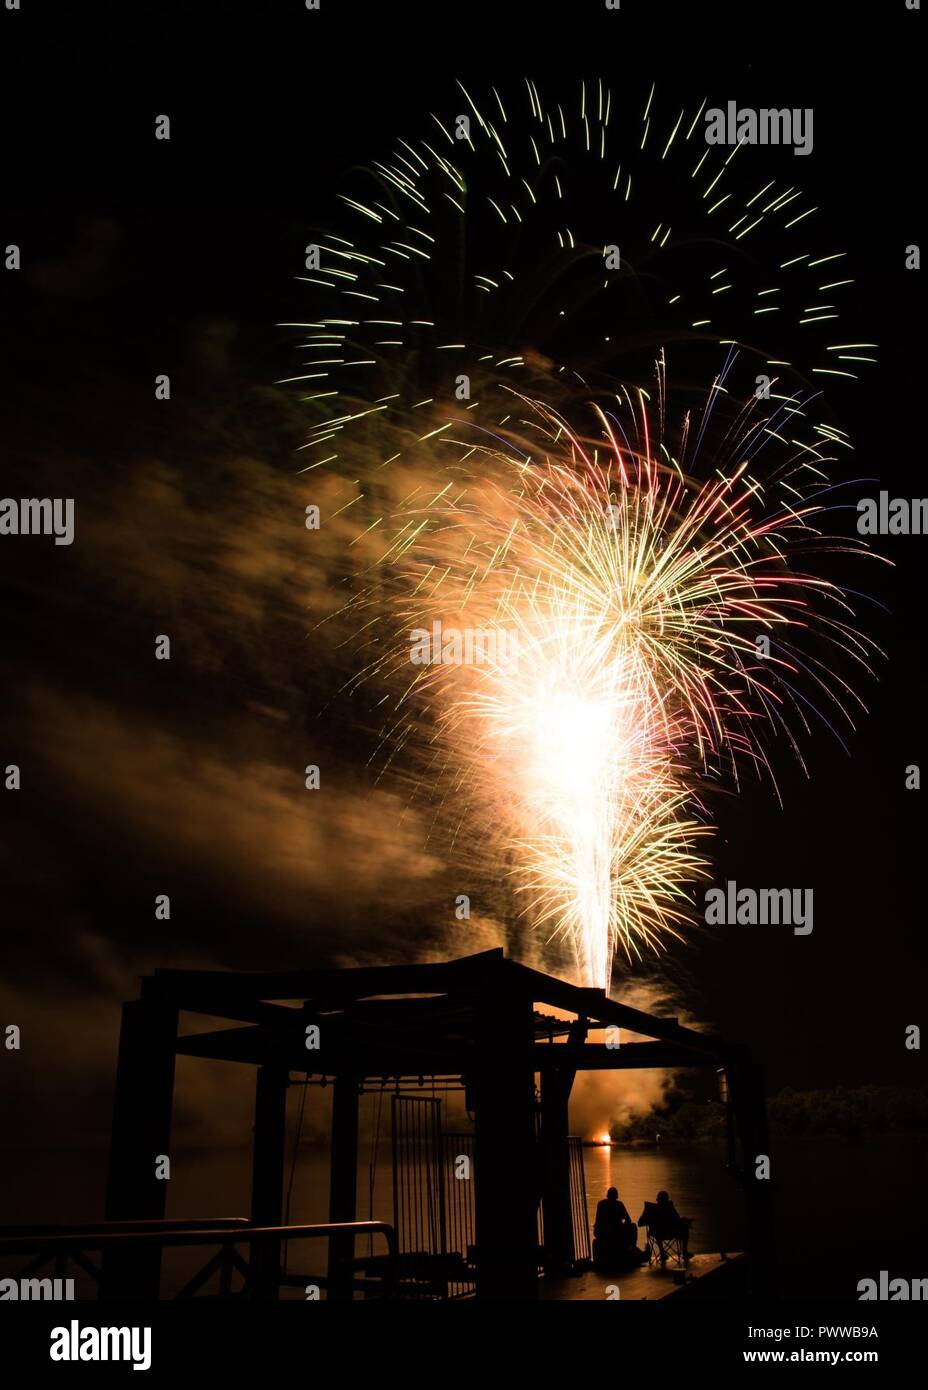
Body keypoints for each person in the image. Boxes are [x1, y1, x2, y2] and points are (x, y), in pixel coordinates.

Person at [592, 1187, 639, 1271]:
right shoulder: (619, 1204)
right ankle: (633, 1248)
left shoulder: (601, 1204)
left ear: (608, 1195)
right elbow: (627, 1219)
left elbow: (598, 1220)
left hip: (603, 1232)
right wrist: (622, 1223)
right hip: (616, 1232)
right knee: (633, 1226)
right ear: (616, 1196)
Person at [648, 1190, 692, 1264]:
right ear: (667, 1199)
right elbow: (677, 1220)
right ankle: (684, 1252)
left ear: (658, 1200)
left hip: (658, 1234)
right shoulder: (670, 1208)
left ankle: (662, 1253)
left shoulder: (652, 1210)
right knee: (685, 1228)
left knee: (657, 1230)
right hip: (671, 1233)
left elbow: (640, 1223)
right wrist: (685, 1220)